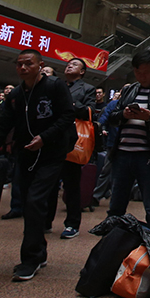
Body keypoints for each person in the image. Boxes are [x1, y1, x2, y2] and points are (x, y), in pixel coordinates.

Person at [0, 49, 75, 281]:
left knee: (36, 201)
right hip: (26, 155)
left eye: (29, 64)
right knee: (28, 204)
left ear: (40, 65)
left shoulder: (55, 87)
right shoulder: (15, 95)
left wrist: (44, 138)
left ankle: (30, 259)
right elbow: (1, 125)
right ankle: (40, 251)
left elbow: (67, 116)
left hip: (51, 154)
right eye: (19, 64)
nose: (23, 68)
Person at [103, 48, 150, 231]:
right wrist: (123, 114)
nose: (141, 76)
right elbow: (112, 118)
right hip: (122, 155)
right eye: (137, 72)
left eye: (145, 72)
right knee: (115, 207)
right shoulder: (130, 90)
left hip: (149, 158)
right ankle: (110, 246)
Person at [52, 57, 98, 240]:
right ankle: (45, 221)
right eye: (68, 64)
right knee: (49, 184)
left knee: (71, 185)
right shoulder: (56, 85)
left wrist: (71, 105)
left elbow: (90, 111)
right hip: (52, 138)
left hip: (72, 140)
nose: (69, 66)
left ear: (82, 71)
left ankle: (72, 223)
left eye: (75, 65)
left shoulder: (87, 89)